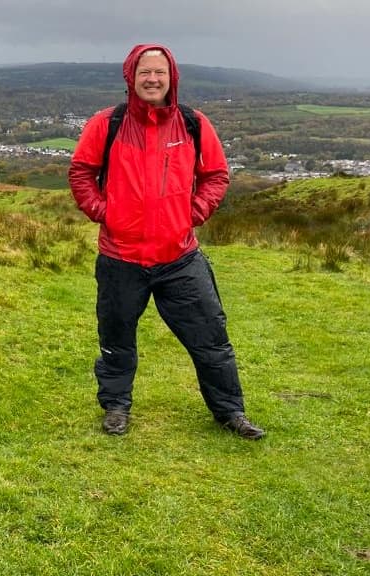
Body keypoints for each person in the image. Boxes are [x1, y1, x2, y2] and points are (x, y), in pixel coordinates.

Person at [68, 43, 264, 439]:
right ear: (131, 77)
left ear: (172, 78)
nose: (153, 79)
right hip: (121, 257)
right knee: (116, 338)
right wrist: (106, 213)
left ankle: (230, 412)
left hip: (179, 258)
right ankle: (116, 407)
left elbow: (215, 176)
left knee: (211, 339)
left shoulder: (193, 124)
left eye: (160, 72)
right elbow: (81, 172)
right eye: (145, 72)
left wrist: (192, 214)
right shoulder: (106, 124)